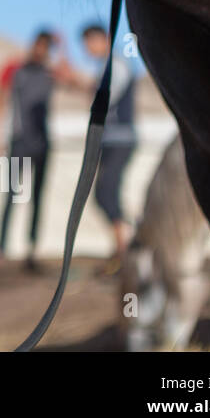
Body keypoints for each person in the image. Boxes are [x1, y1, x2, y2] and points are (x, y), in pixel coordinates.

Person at [0, 30, 84, 271]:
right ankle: (0, 250)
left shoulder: (50, 73)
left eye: (46, 47)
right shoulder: (16, 70)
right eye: (39, 45)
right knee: (11, 196)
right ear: (32, 45)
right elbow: (0, 98)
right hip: (19, 142)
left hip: (42, 143)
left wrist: (64, 46)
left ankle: (31, 251)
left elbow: (72, 79)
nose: (41, 50)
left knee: (38, 198)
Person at [81, 22, 138, 268]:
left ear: (102, 39)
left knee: (107, 194)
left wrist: (74, 80)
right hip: (109, 139)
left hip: (121, 139)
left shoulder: (117, 65)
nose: (87, 50)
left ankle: (128, 251)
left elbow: (104, 96)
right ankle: (123, 249)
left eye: (89, 43)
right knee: (105, 195)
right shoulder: (105, 67)